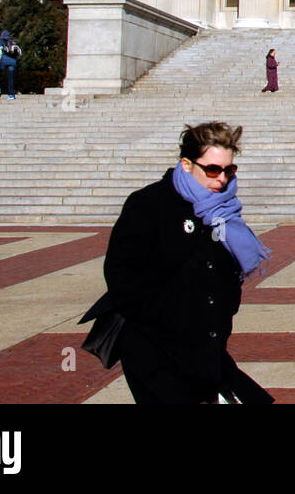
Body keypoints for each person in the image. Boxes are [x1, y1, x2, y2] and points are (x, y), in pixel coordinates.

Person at [99, 121, 273, 404]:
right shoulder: (149, 204)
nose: (222, 179)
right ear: (186, 164)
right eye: (213, 169)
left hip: (207, 349)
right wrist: (162, 318)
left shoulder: (224, 210)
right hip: (156, 352)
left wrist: (222, 311)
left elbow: (225, 276)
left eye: (229, 170)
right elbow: (121, 276)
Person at [0, 30, 19, 99]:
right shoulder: (13, 42)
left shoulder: (1, 42)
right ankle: (11, 94)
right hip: (13, 62)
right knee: (11, 78)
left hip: (4, 61)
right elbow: (18, 52)